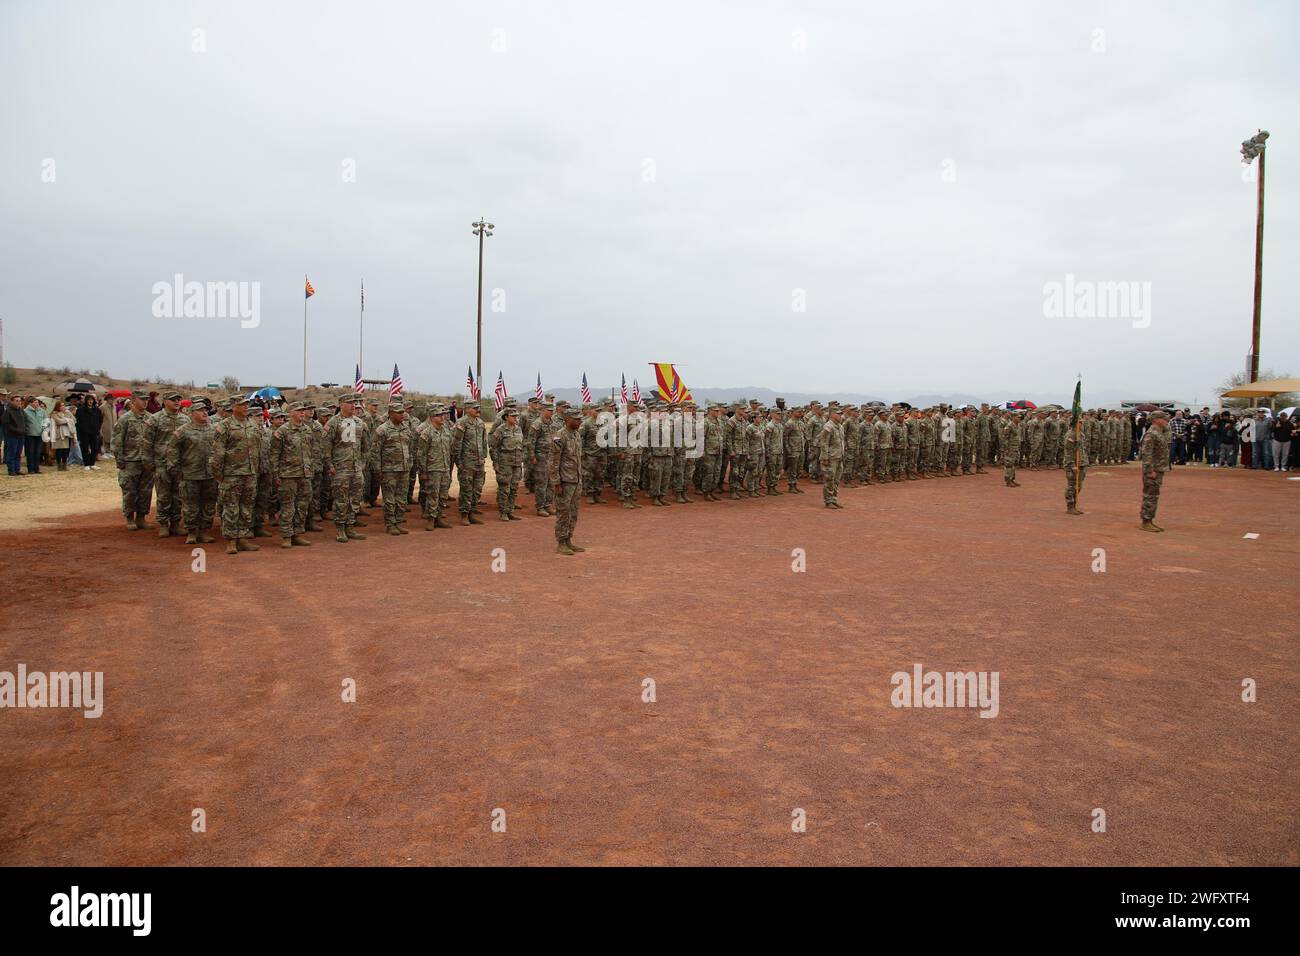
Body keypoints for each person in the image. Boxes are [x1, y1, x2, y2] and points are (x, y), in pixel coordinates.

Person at [209, 394, 264, 553]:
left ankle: (243, 537)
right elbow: (217, 452)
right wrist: (218, 474)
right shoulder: (224, 426)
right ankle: (231, 541)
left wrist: (256, 469)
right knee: (231, 507)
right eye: (242, 404)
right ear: (233, 407)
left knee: (247, 507)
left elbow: (258, 449)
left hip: (250, 473)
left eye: (247, 404)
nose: (246, 407)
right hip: (231, 474)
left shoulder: (253, 425)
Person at [110, 391, 154, 529]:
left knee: (145, 491)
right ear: (133, 401)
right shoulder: (125, 419)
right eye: (142, 399)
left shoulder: (151, 418)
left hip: (146, 462)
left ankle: (141, 518)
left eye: (146, 399)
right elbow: (117, 441)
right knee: (130, 491)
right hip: (130, 461)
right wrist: (120, 459)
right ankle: (130, 518)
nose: (145, 402)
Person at [551, 406, 585, 554]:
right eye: (576, 419)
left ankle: (569, 539)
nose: (579, 421)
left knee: (573, 511)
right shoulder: (559, 436)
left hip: (576, 479)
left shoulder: (576, 435)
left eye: (580, 419)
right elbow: (553, 460)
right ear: (567, 419)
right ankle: (561, 543)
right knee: (563, 512)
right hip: (565, 481)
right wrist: (556, 482)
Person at [1140, 411, 1171, 532]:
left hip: (1158, 468)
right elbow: (1146, 453)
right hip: (1153, 470)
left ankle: (1149, 520)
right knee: (1150, 495)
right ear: (1156, 419)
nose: (1166, 421)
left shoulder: (1159, 432)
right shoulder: (1151, 433)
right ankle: (1146, 521)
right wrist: (1149, 470)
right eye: (1164, 419)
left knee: (1153, 495)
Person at [76, 395, 103, 469]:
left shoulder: (97, 410)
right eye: (89, 400)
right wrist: (83, 429)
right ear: (86, 401)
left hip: (94, 432)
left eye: (92, 400)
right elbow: (78, 422)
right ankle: (86, 464)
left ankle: (92, 463)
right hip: (84, 433)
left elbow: (100, 420)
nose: (90, 401)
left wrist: (98, 428)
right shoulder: (80, 410)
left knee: (94, 448)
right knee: (85, 448)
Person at [49, 400, 77, 470]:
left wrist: (67, 419)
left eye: (63, 405)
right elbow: (58, 421)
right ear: (57, 406)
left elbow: (74, 420)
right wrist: (68, 420)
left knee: (66, 450)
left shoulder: (67, 412)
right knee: (59, 451)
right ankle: (59, 466)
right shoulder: (54, 413)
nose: (63, 407)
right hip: (58, 434)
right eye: (61, 405)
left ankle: (65, 465)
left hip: (66, 434)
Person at [4, 395, 27, 476]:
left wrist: (24, 430)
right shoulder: (8, 411)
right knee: (11, 453)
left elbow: (24, 421)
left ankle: (17, 469)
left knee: (18, 453)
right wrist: (17, 430)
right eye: (16, 400)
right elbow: (6, 424)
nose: (18, 402)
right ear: (12, 401)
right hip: (12, 435)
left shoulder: (21, 410)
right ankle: (11, 470)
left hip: (21, 435)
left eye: (19, 400)